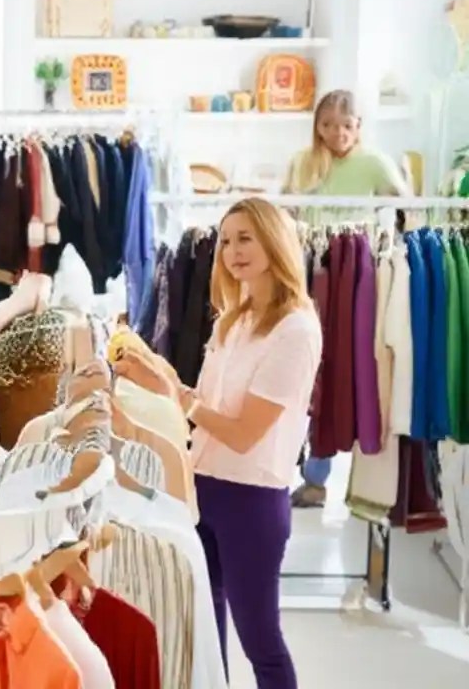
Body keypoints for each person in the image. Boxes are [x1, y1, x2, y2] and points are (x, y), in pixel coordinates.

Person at [115, 197, 322, 689]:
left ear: (275, 241)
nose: (232, 251)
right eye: (226, 240)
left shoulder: (295, 329)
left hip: (251, 500)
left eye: (245, 238)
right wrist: (155, 376)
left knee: (260, 639)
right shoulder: (235, 317)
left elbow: (245, 433)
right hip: (202, 484)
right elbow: (201, 404)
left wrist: (175, 396)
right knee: (205, 628)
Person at [284, 88, 412, 507]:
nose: (337, 133)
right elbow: (284, 210)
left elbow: (407, 207)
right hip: (308, 266)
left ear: (358, 127)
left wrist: (391, 244)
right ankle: (300, 469)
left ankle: (321, 476)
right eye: (327, 125)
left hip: (355, 271)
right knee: (304, 367)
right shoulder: (303, 162)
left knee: (343, 365)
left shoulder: (374, 162)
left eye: (345, 125)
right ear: (316, 127)